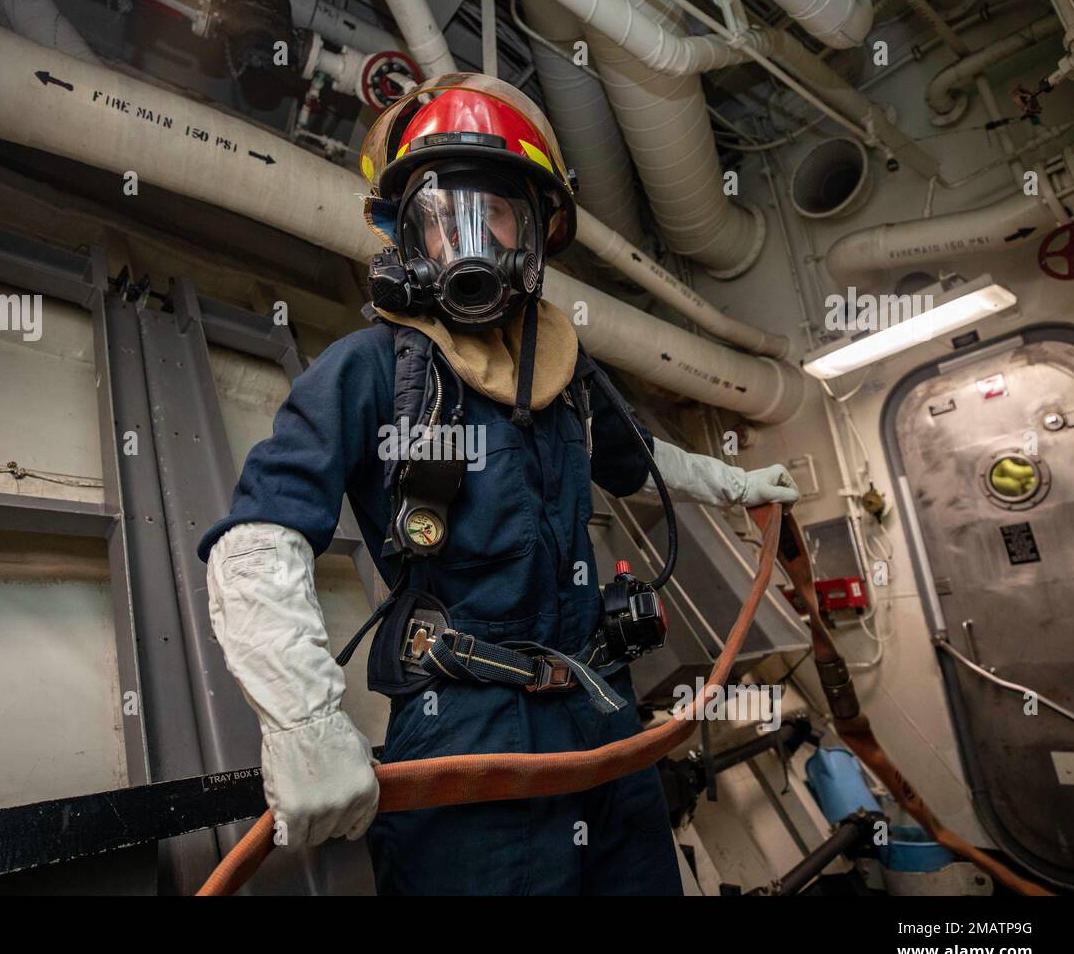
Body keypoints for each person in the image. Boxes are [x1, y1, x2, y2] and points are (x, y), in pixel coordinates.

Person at [200, 74, 798, 894]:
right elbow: (260, 536)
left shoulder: (566, 375)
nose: (469, 242)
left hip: (601, 714)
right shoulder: (368, 370)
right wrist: (304, 721)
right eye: (443, 220)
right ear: (408, 239)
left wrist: (738, 484)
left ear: (535, 237)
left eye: (495, 216)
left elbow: (642, 462)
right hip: (463, 733)